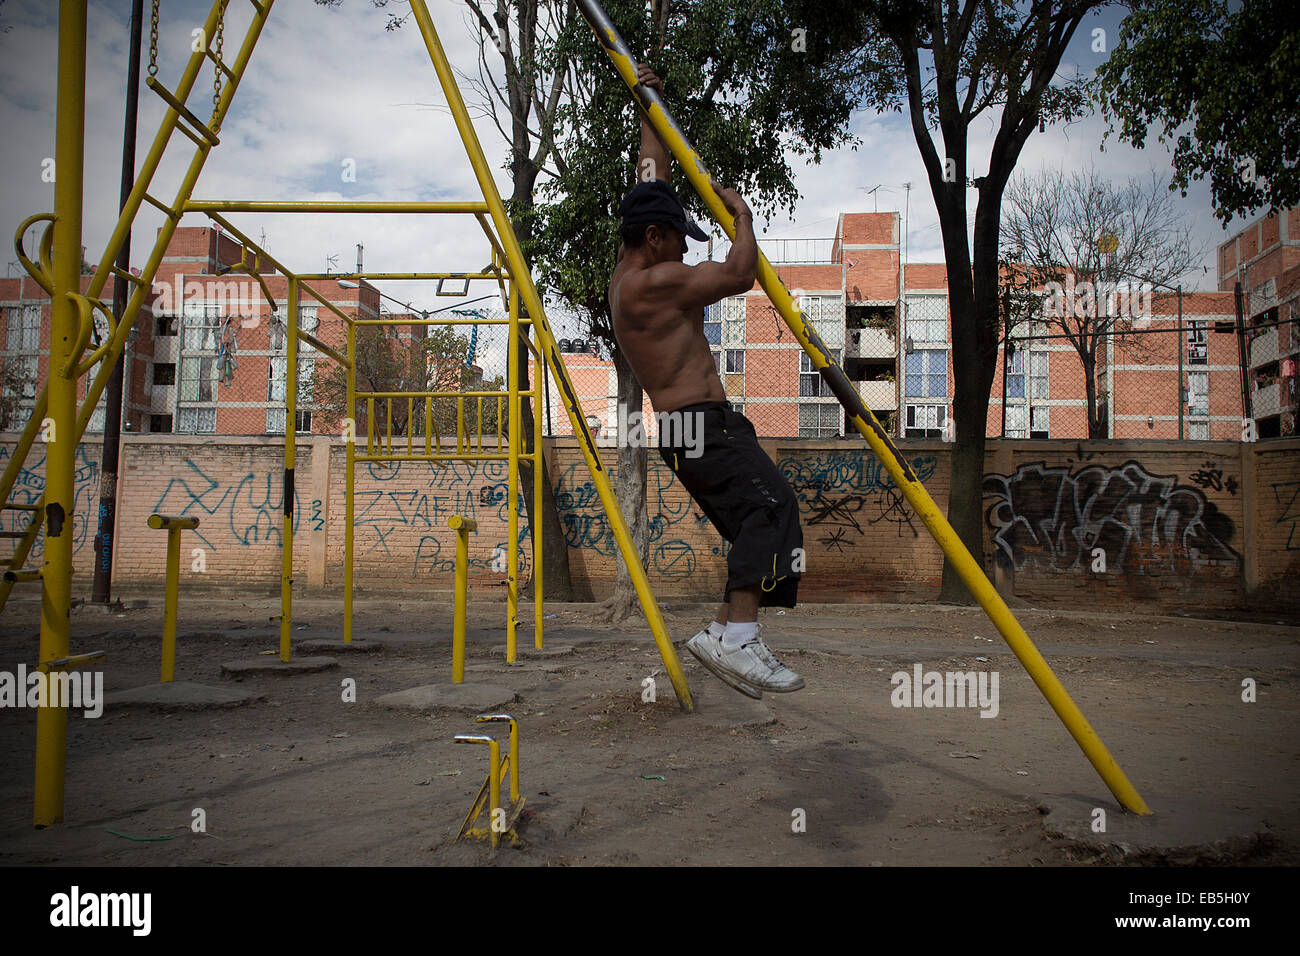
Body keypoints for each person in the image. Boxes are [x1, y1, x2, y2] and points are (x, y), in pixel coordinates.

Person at [608, 65, 805, 699]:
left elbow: (650, 174)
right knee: (771, 507)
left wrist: (651, 108)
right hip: (699, 423)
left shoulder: (631, 269)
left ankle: (727, 632)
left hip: (695, 425)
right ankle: (735, 638)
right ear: (655, 237)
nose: (683, 251)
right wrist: (740, 214)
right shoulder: (651, 284)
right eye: (678, 241)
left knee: (756, 521)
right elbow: (740, 273)